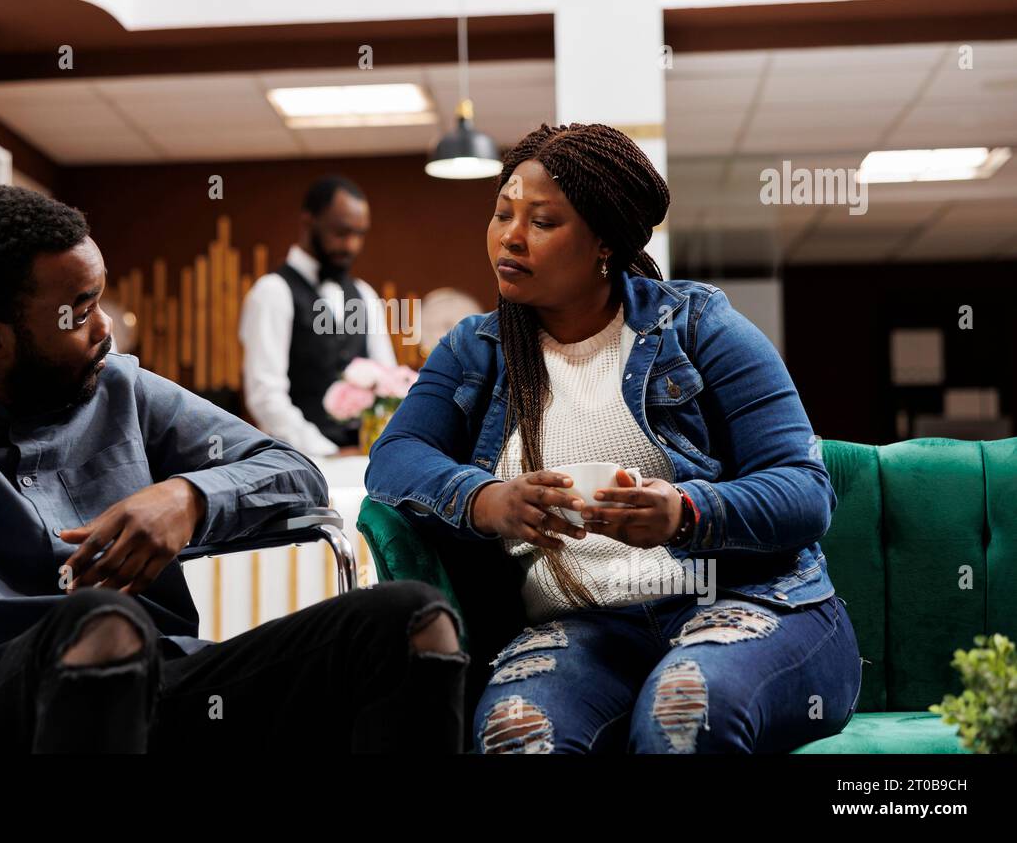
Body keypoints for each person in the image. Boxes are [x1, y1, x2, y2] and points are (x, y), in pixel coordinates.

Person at [0, 185, 467, 754]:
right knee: (103, 624)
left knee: (411, 621)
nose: (106, 328)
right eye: (78, 310)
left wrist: (190, 498)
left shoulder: (120, 389)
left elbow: (295, 473)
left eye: (101, 300)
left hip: (164, 680)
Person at [365, 124, 863, 754]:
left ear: (604, 241)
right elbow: (395, 459)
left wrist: (686, 513)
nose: (510, 237)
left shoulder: (698, 325)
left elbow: (804, 492)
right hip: (582, 628)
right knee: (517, 735)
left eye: (542, 221)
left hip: (746, 604)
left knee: (682, 714)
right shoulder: (477, 349)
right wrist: (488, 499)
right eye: (501, 213)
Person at [240, 175, 396, 457]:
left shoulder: (364, 294)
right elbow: (265, 395)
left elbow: (388, 381)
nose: (351, 245)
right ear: (309, 222)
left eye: (359, 234)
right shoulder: (273, 292)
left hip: (363, 460)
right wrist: (325, 452)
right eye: (341, 232)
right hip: (298, 459)